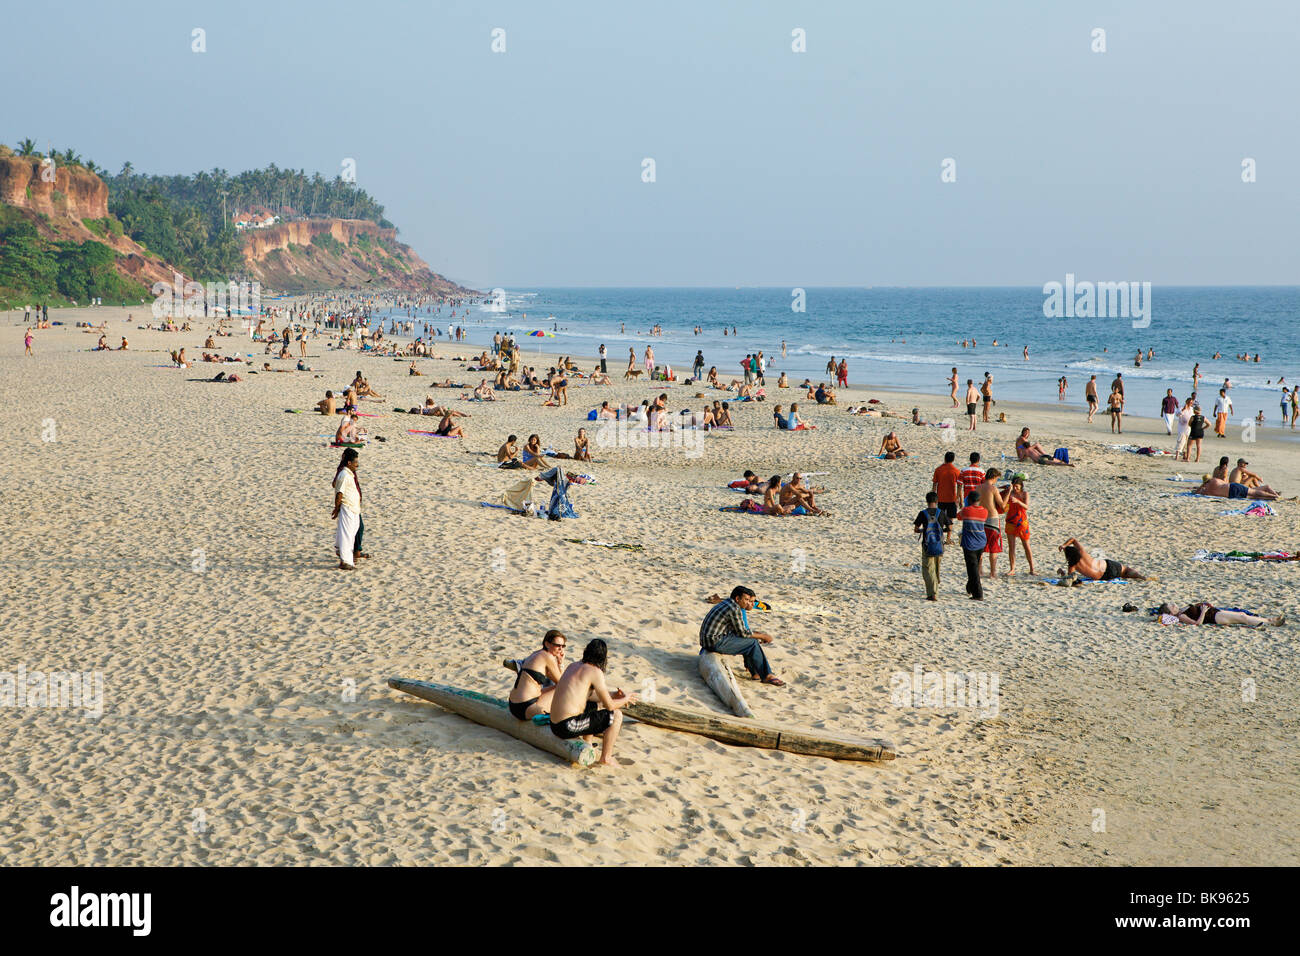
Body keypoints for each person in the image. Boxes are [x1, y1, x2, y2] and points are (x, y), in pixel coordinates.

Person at [548, 639, 636, 768]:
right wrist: (626, 699)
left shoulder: (573, 665)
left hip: (554, 724)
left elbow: (587, 695)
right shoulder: (595, 671)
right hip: (566, 726)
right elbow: (610, 706)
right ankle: (606, 758)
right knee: (616, 715)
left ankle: (587, 743)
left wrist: (613, 694)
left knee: (592, 705)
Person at [699, 586, 784, 685]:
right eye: (746, 600)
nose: (748, 603)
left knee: (750, 641)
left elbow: (740, 630)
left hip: (709, 639)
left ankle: (756, 673)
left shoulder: (728, 603)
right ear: (737, 599)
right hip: (714, 642)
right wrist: (763, 636)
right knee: (752, 642)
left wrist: (757, 635)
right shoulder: (734, 608)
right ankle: (766, 675)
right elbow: (743, 633)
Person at [508, 630, 567, 719]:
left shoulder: (536, 654)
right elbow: (562, 682)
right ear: (547, 644)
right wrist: (561, 663)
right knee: (564, 688)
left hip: (513, 704)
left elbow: (556, 681)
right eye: (557, 645)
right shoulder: (548, 657)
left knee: (556, 687)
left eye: (563, 646)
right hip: (526, 706)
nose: (561, 649)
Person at [331, 448, 365, 570]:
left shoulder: (349, 474)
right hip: (347, 508)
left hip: (354, 508)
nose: (358, 465)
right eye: (356, 462)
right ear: (349, 463)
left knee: (352, 533)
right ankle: (345, 561)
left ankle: (346, 558)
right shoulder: (344, 474)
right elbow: (339, 493)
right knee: (346, 534)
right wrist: (336, 508)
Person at [914, 492, 950, 600]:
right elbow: (949, 527)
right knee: (936, 567)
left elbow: (916, 529)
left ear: (927, 501)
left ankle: (933, 593)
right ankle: (936, 586)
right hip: (939, 545)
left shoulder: (923, 513)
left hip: (927, 544)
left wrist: (922, 530)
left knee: (928, 569)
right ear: (937, 501)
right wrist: (945, 535)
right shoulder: (941, 513)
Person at [1059, 537, 1146, 580]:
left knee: (1122, 574)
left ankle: (1136, 576)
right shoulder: (1082, 552)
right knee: (1126, 570)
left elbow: (1070, 579)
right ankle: (1140, 576)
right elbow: (1073, 539)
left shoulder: (1072, 566)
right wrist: (1064, 545)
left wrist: (1062, 573)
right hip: (1106, 565)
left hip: (1104, 576)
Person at [955, 492, 987, 600]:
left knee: (972, 569)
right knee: (975, 566)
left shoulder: (966, 510)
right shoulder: (984, 511)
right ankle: (970, 587)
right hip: (981, 541)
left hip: (969, 543)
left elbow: (958, 516)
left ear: (969, 501)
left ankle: (978, 594)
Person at [976, 469, 1006, 578]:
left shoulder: (978, 487)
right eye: (997, 479)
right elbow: (1002, 505)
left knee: (980, 546)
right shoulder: (993, 488)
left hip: (980, 518)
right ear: (994, 477)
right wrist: (1007, 493)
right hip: (992, 519)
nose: (996, 481)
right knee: (993, 547)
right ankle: (993, 573)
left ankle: (980, 571)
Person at [1155, 603, 1284, 627]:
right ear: (1171, 613)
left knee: (1241, 613)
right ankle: (1272, 623)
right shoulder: (1181, 616)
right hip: (1213, 617)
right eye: (1171, 607)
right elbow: (1197, 623)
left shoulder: (1182, 610)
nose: (1174, 605)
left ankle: (1270, 619)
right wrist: (1204, 612)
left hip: (1214, 612)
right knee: (1242, 618)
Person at [931, 451, 961, 541]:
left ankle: (940, 538)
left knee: (940, 518)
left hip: (940, 498)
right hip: (952, 498)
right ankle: (948, 538)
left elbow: (934, 485)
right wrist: (959, 498)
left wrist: (934, 497)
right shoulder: (956, 471)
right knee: (950, 519)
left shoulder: (938, 470)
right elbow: (959, 486)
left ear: (945, 458)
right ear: (953, 459)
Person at [1193, 475, 1279, 500]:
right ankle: (1274, 496)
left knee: (1253, 495)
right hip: (1233, 488)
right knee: (1254, 493)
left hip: (1231, 494)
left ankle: (1273, 496)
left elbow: (1196, 493)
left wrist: (1202, 486)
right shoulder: (1215, 480)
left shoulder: (1206, 491)